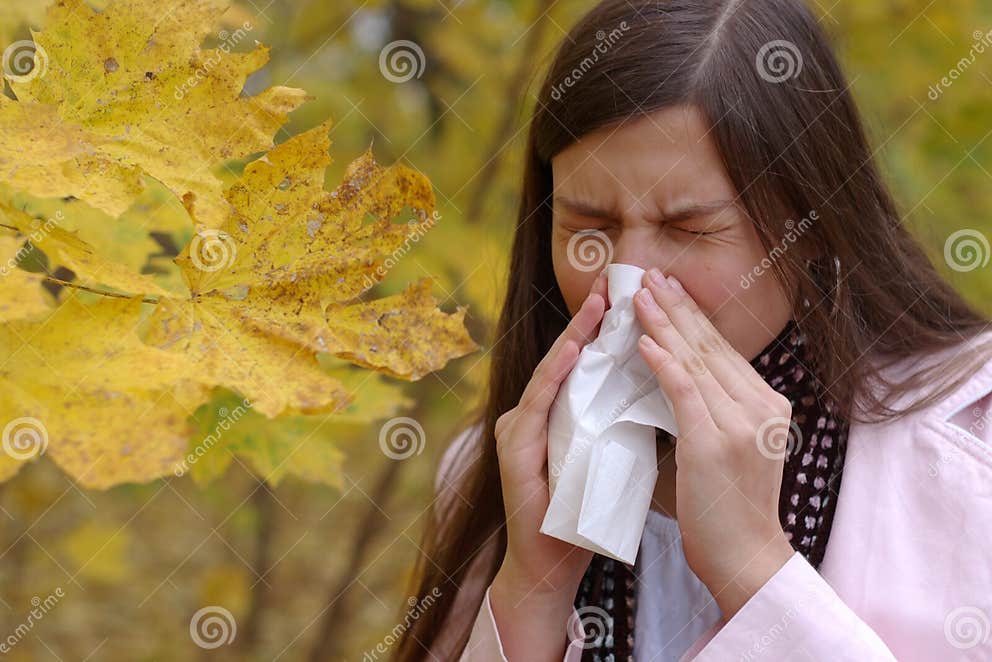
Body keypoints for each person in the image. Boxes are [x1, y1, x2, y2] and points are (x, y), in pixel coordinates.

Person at [394, 0, 992, 660]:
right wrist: (534, 591)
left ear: (812, 224)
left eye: (688, 230)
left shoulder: (972, 444)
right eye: (588, 230)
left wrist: (756, 570)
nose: (629, 280)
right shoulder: (502, 468)